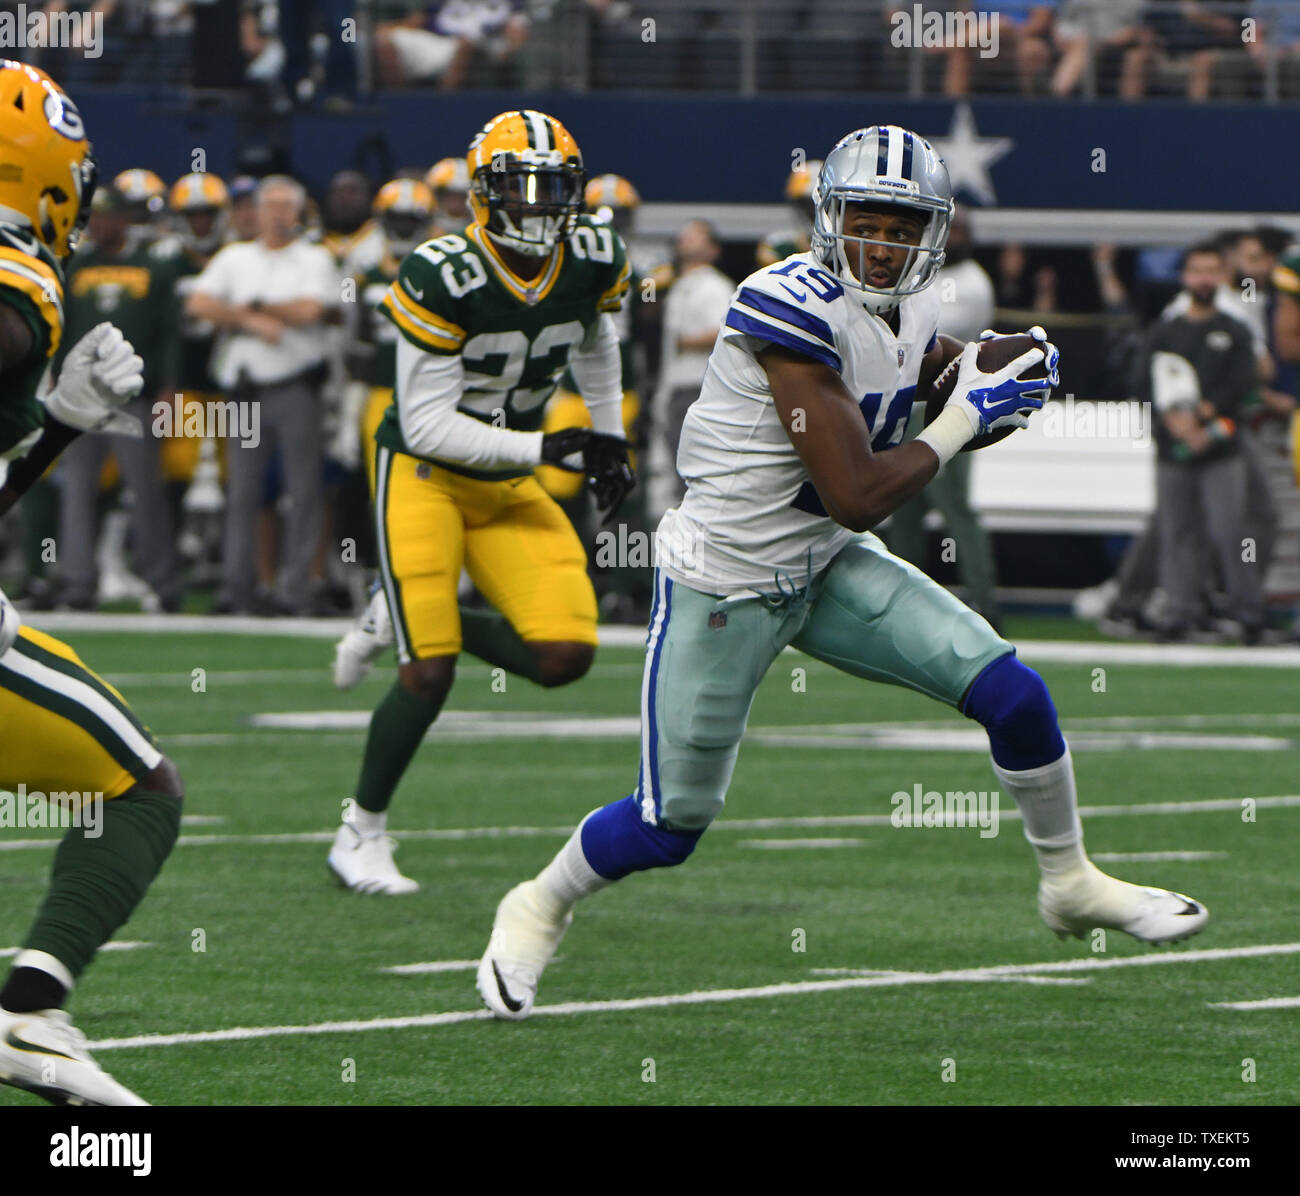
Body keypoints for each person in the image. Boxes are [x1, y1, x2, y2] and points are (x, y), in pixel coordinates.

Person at [475, 125, 1209, 1021]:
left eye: (905, 227)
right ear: (830, 219)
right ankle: (539, 901)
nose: (885, 243)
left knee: (1014, 696)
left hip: (824, 563)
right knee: (669, 827)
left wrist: (998, 366)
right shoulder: (785, 306)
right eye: (869, 220)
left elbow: (916, 374)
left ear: (931, 233)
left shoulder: (915, 301)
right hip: (728, 582)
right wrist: (963, 419)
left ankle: (1071, 880)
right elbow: (860, 490)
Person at [327, 109, 633, 894]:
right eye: (520, 191)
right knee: (426, 675)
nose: (538, 208)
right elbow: (427, 423)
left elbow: (598, 341)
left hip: (503, 481)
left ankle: (398, 608)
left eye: (553, 190)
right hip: (424, 475)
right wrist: (542, 448)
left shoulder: (595, 253)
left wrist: (608, 436)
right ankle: (359, 832)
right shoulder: (440, 269)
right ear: (483, 194)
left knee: (565, 657)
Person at [0, 60, 183, 1106]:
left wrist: (56, 420)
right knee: (138, 787)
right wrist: (63, 417)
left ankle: (30, 1012)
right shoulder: (19, 288)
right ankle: (27, 1015)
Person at [184, 175, 341, 615]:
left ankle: (298, 591)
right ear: (255, 210)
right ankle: (239, 588)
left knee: (303, 490)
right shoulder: (235, 257)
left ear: (299, 211)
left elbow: (312, 309)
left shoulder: (315, 258)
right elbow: (198, 304)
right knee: (243, 491)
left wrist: (252, 308)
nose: (277, 214)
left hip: (295, 385)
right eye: (269, 205)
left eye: (286, 206)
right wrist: (252, 321)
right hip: (246, 391)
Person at [53, 182, 183, 611]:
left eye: (108, 216)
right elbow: (64, 329)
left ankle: (162, 582)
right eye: (96, 217)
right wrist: (55, 380)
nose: (100, 224)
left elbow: (169, 332)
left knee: (145, 488)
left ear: (125, 219)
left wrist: (169, 386)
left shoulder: (153, 266)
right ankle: (76, 583)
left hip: (134, 392)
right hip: (83, 393)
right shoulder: (77, 266)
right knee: (77, 489)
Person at [888, 204, 1003, 630]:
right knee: (903, 506)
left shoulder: (971, 282)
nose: (953, 238)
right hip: (907, 405)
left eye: (961, 231)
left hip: (951, 405)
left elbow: (925, 343)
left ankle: (986, 605)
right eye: (947, 231)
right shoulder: (922, 274)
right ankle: (897, 605)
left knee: (954, 508)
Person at [1147, 242, 1265, 642]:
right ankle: (1180, 612)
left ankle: (1247, 613)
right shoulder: (1165, 331)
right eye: (1196, 270)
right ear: (1184, 277)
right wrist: (1175, 423)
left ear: (1222, 275)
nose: (1203, 278)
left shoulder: (1234, 330)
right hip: (1172, 449)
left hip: (1222, 447)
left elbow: (1242, 383)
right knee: (1177, 531)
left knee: (1231, 530)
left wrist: (1204, 415)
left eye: (1211, 270)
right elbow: (1142, 382)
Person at [654, 219, 733, 503]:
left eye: (695, 236)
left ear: (712, 249)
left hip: (698, 386)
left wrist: (685, 341)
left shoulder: (715, 285)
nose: (685, 239)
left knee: (696, 469)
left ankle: (701, 537)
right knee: (677, 466)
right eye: (684, 235)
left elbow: (726, 331)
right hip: (676, 386)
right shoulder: (677, 286)